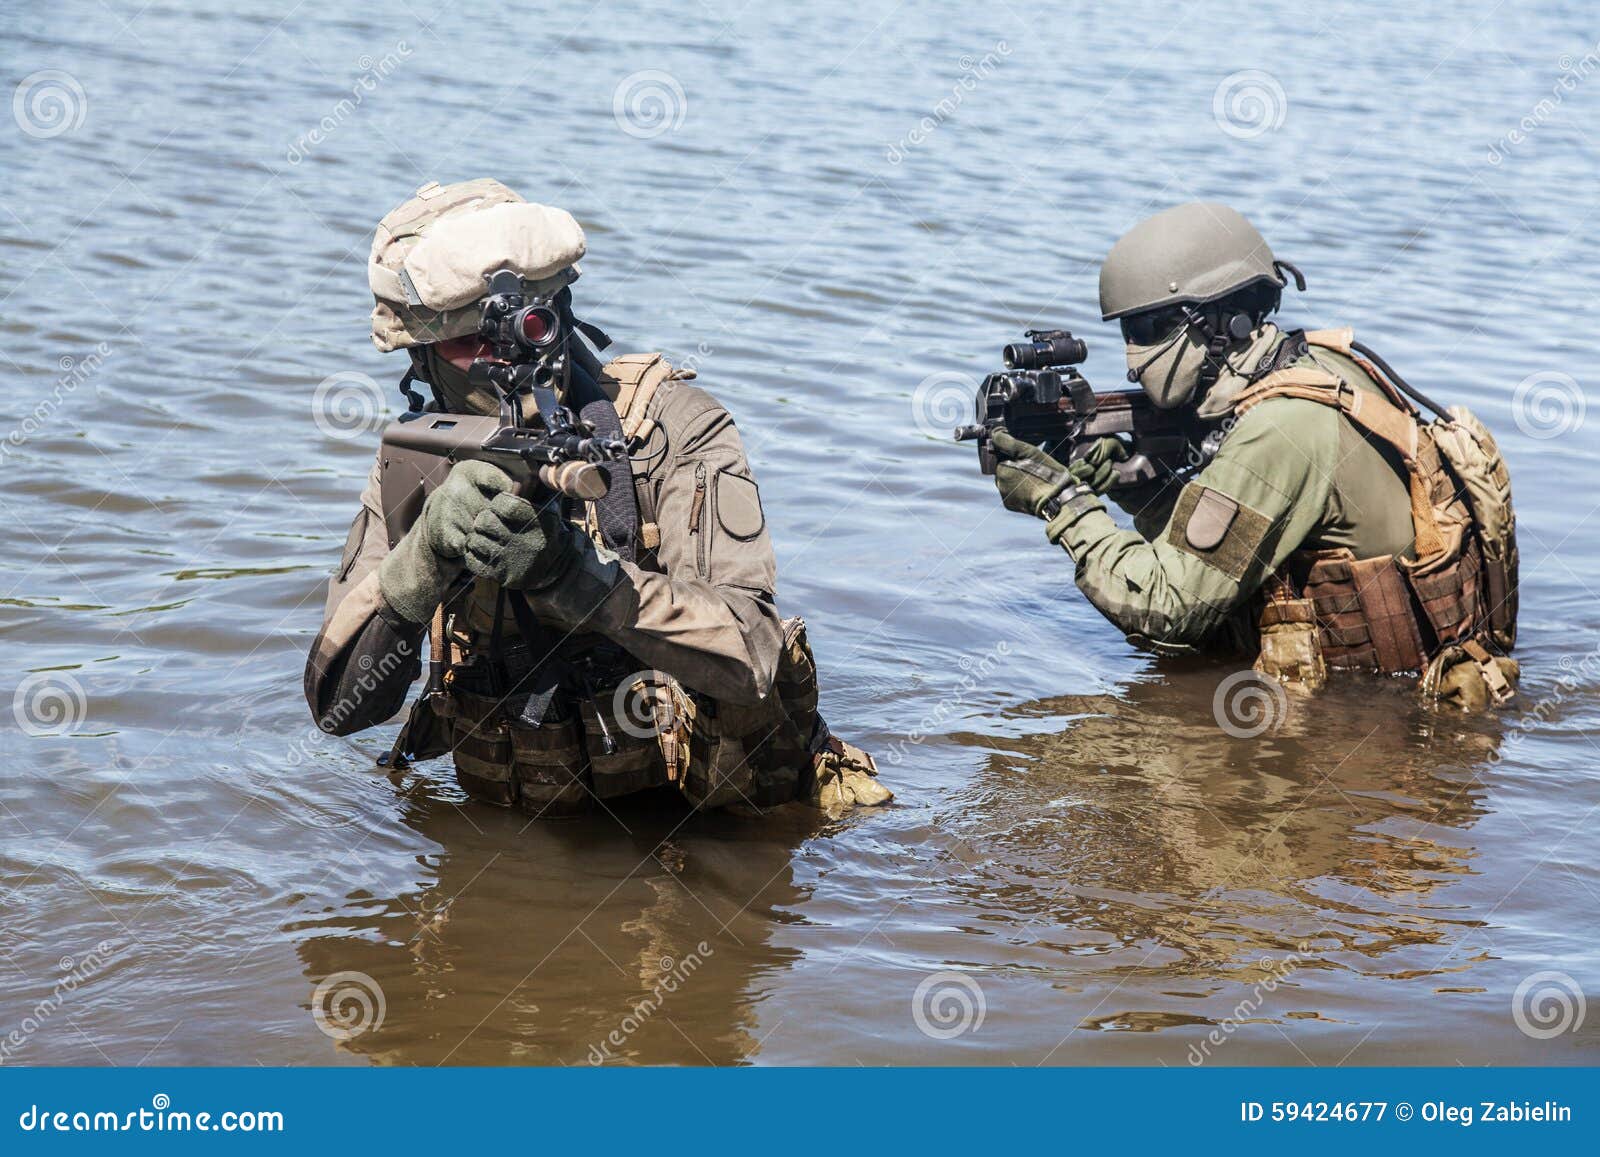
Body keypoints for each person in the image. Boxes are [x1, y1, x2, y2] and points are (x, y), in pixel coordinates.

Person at [304, 178, 888, 815]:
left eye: (529, 326)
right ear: (420, 357)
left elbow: (752, 657)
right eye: (467, 344)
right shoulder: (420, 456)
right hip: (527, 828)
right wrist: (421, 564)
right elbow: (339, 710)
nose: (500, 361)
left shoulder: (672, 428)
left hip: (705, 823)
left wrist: (574, 578)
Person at [990, 202, 1519, 709]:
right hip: (1418, 686)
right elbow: (1237, 547)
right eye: (1128, 333)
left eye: (1149, 330)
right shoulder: (1327, 366)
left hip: (1378, 715)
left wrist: (1061, 502)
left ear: (1221, 323)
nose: (1131, 362)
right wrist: (1141, 487)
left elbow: (1168, 609)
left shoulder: (1277, 429)